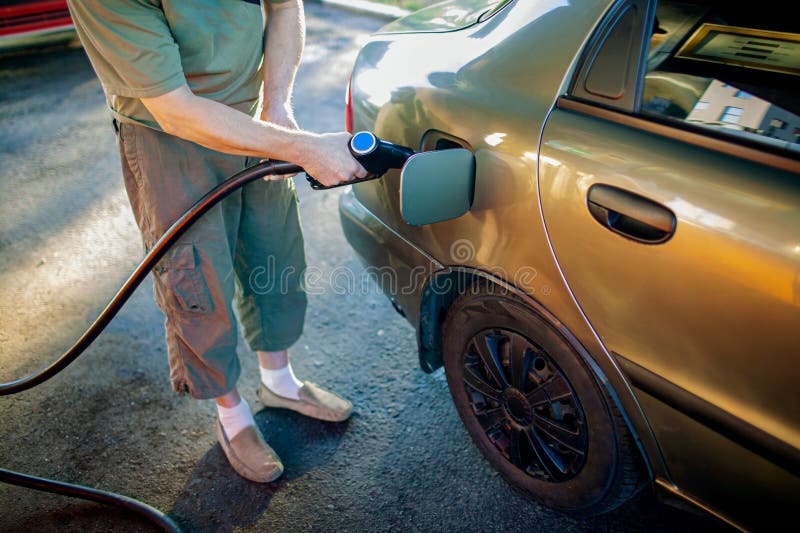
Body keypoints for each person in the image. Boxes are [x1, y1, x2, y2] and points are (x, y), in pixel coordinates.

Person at [66, 0, 366, 483]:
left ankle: (280, 382)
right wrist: (304, 148)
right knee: (197, 281)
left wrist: (276, 104)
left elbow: (286, 5)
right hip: (169, 137)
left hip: (254, 120)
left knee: (276, 252)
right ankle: (232, 417)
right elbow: (178, 112)